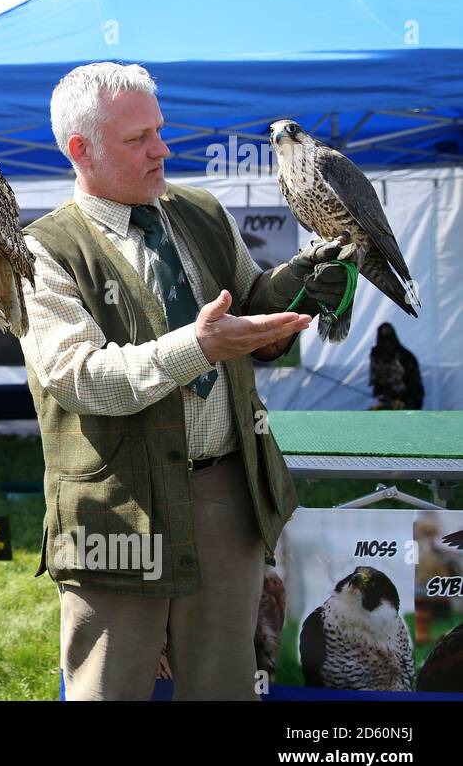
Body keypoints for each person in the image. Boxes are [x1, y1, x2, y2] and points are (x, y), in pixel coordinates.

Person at [20, 62, 353, 700]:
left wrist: (301, 284)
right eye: (138, 138)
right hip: (116, 507)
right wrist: (197, 346)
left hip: (227, 488)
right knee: (109, 684)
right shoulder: (41, 250)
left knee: (224, 680)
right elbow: (81, 378)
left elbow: (250, 306)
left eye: (160, 130)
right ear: (80, 151)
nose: (162, 149)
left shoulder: (199, 211)